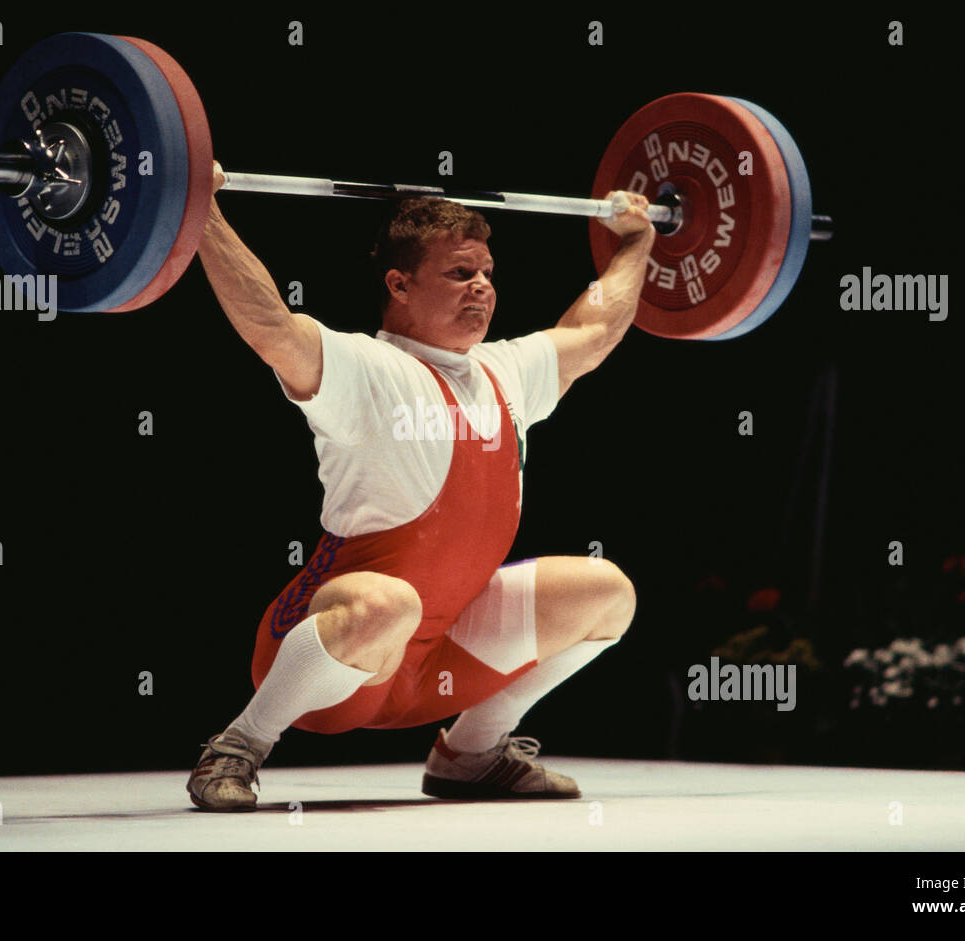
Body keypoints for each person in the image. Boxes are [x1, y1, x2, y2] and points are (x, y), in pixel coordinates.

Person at [187, 162, 655, 811]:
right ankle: (237, 746)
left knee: (608, 595)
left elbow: (593, 331)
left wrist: (640, 242)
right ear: (399, 285)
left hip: (433, 658)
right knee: (390, 603)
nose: (482, 287)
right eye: (460, 273)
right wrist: (200, 211)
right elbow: (270, 326)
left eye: (487, 272)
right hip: (333, 649)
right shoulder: (368, 368)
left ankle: (471, 754)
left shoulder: (504, 370)